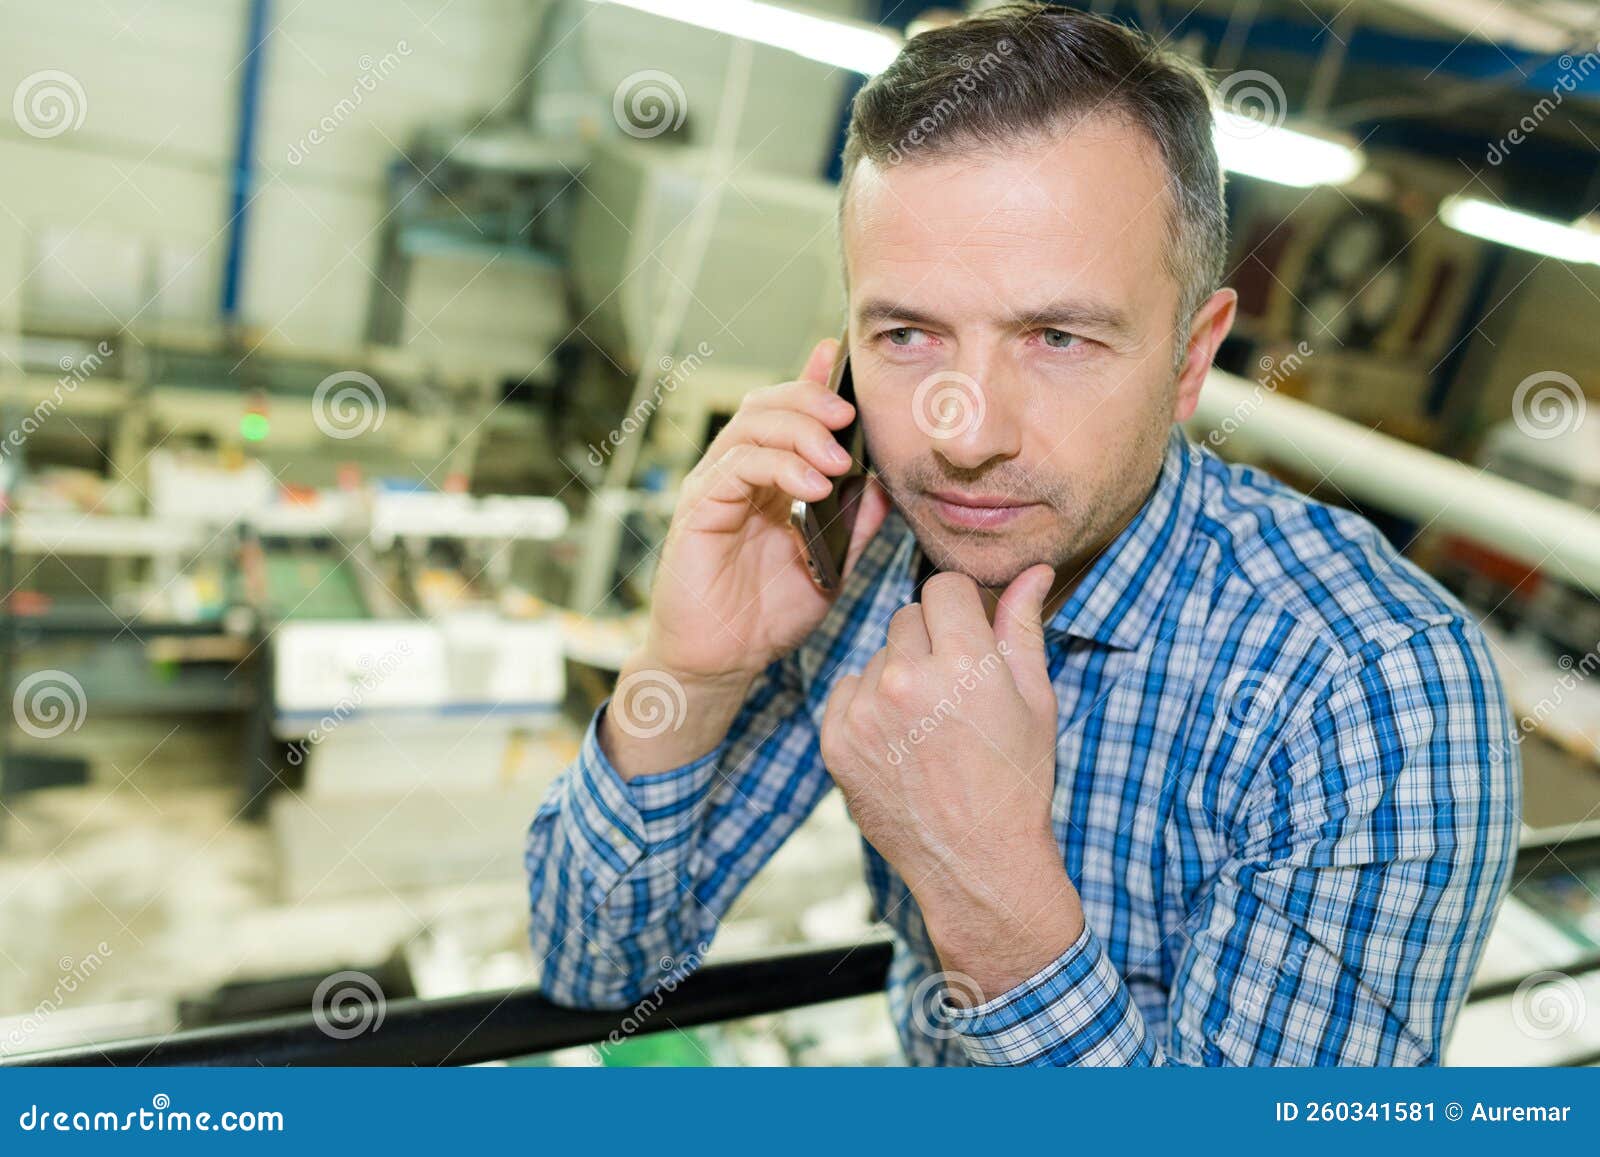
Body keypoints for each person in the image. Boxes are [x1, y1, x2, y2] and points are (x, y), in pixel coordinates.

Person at [526, 3, 1520, 1066]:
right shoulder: (866, 562)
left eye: (1056, 337)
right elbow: (596, 967)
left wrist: (992, 893)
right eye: (907, 334)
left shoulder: (1373, 695)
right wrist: (690, 672)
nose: (965, 436)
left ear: (1190, 358)